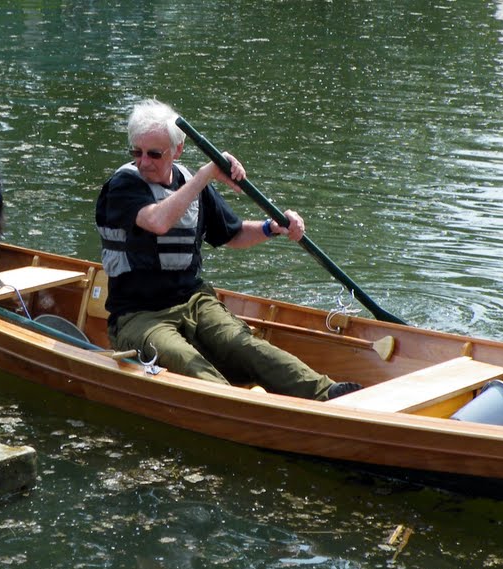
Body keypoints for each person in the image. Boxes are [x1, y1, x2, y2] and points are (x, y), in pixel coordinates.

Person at [95, 99, 361, 401]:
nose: (144, 162)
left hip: (193, 302)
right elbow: (157, 221)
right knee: (186, 361)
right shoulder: (123, 186)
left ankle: (326, 392)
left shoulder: (189, 183)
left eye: (154, 154)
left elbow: (233, 234)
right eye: (137, 152)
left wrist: (272, 227)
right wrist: (206, 174)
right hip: (138, 316)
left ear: (177, 150)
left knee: (244, 344)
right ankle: (239, 406)